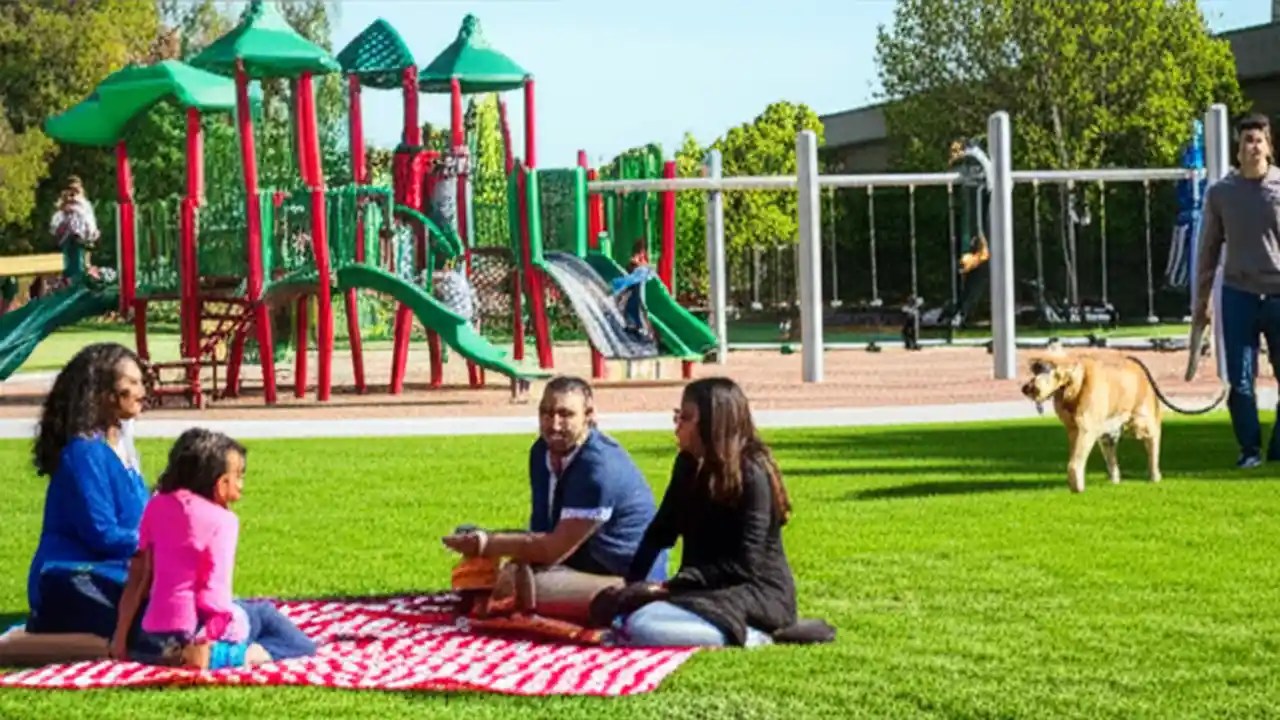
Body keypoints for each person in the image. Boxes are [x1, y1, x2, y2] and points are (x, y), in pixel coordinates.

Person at [441, 376, 668, 623]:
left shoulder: (597, 468)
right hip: (577, 560)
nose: (554, 424)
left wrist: (487, 544)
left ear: (589, 415)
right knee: (474, 539)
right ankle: (508, 595)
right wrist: (490, 546)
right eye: (546, 413)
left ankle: (624, 602)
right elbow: (540, 532)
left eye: (565, 414)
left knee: (528, 583)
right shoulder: (541, 452)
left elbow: (551, 550)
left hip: (624, 573)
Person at [610, 377, 798, 647]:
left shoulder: (751, 473)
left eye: (685, 418)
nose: (677, 426)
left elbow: (744, 565)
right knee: (622, 615)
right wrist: (630, 588)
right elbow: (660, 533)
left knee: (644, 628)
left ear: (712, 423)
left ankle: (757, 636)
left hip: (753, 595)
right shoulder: (687, 464)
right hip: (704, 592)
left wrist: (670, 588)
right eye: (677, 416)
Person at [112, 428, 317, 669]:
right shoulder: (222, 521)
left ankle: (184, 653)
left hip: (151, 637)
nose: (242, 484)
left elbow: (139, 576)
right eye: (239, 476)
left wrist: (121, 638)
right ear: (220, 483)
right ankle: (234, 656)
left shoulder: (156, 506)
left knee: (245, 608)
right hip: (195, 634)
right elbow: (214, 594)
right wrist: (205, 641)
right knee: (275, 623)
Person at [26, 342, 149, 638]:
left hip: (115, 571)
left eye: (141, 382)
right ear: (103, 394)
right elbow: (102, 533)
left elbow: (140, 517)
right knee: (154, 624)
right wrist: (158, 541)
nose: (142, 392)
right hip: (72, 577)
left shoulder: (121, 449)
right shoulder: (85, 453)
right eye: (132, 383)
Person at [1193, 112, 1280, 469]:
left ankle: (1277, 450)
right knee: (1241, 380)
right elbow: (1208, 249)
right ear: (1239, 147)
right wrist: (1201, 301)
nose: (1253, 147)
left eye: (1259, 139)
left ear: (1269, 146)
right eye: (1247, 140)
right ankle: (1250, 450)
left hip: (1278, 294)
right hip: (1238, 294)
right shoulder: (1221, 193)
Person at [49, 176, 100, 282]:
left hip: (82, 238)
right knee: (70, 263)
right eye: (70, 189)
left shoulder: (84, 205)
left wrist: (91, 234)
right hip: (68, 239)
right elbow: (55, 225)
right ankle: (71, 280)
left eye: (76, 190)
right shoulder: (62, 207)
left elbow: (89, 220)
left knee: (81, 263)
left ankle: (79, 280)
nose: (73, 193)